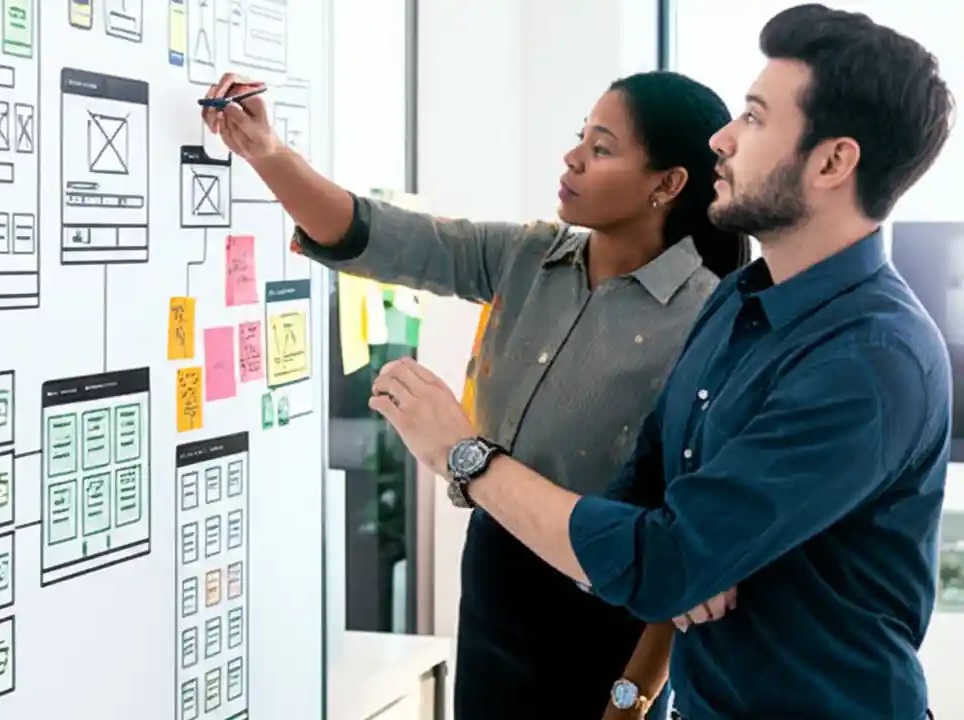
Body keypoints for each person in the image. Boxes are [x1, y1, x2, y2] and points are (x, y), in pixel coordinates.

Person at [362, 4, 954, 718]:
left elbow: (664, 561)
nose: (723, 140)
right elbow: (647, 500)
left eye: (756, 119)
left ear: (833, 161)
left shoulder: (871, 360)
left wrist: (464, 454)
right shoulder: (742, 300)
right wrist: (674, 566)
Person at [204, 70, 750, 717]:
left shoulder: (710, 319)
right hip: (494, 584)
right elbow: (376, 234)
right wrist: (267, 151)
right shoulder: (526, 256)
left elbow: (688, 544)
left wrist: (633, 697)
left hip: (606, 619)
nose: (572, 158)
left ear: (667, 183)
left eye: (602, 148)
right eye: (581, 138)